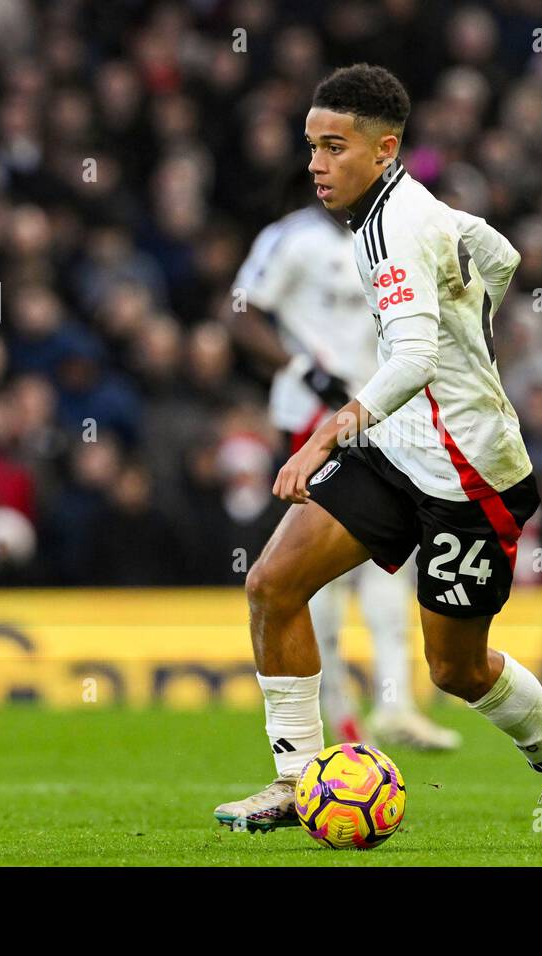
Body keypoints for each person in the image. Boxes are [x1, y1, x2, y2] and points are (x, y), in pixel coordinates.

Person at [215, 63, 542, 847]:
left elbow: (414, 358)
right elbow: (498, 255)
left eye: (334, 148)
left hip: (471, 472)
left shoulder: (394, 226)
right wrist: (475, 325)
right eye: (311, 147)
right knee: (273, 584)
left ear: (385, 148)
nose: (316, 165)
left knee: (456, 670)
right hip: (400, 447)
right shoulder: (411, 211)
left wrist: (327, 433)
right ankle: (299, 780)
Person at [220, 170, 461, 751]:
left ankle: (394, 705)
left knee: (389, 557)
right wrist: (300, 366)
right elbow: (238, 309)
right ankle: (340, 712)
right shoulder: (292, 237)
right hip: (315, 414)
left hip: (383, 409)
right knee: (318, 563)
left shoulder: (390, 236)